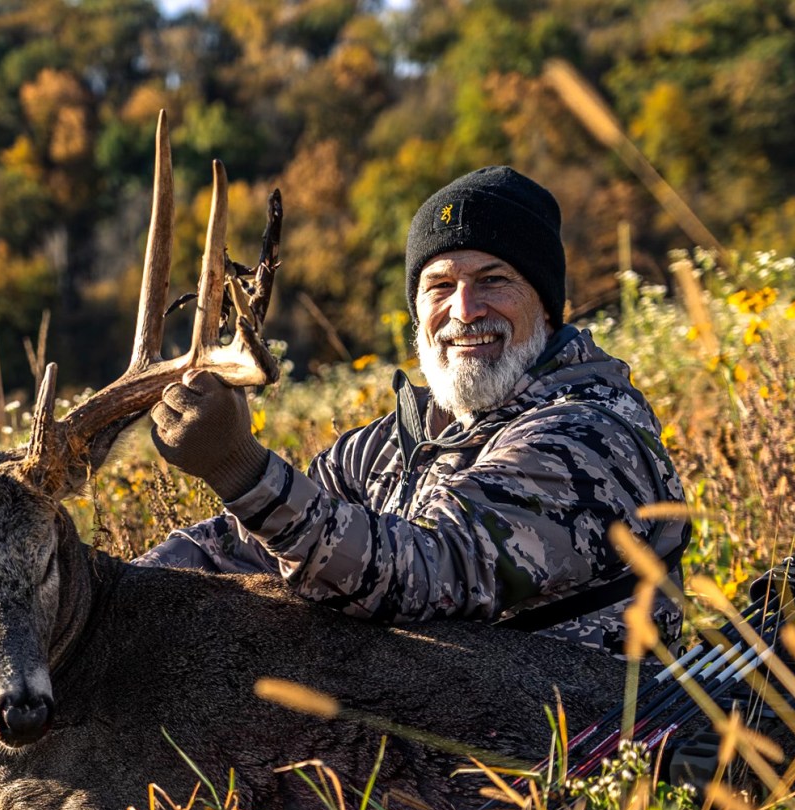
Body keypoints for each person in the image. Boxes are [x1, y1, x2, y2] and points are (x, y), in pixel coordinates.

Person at [137, 165, 688, 655]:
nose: (464, 310)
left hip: (561, 751)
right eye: (439, 286)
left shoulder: (588, 440)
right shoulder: (388, 446)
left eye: (494, 281)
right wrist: (103, 593)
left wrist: (243, 470)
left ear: (544, 302)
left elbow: (429, 571)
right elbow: (244, 548)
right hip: (421, 734)